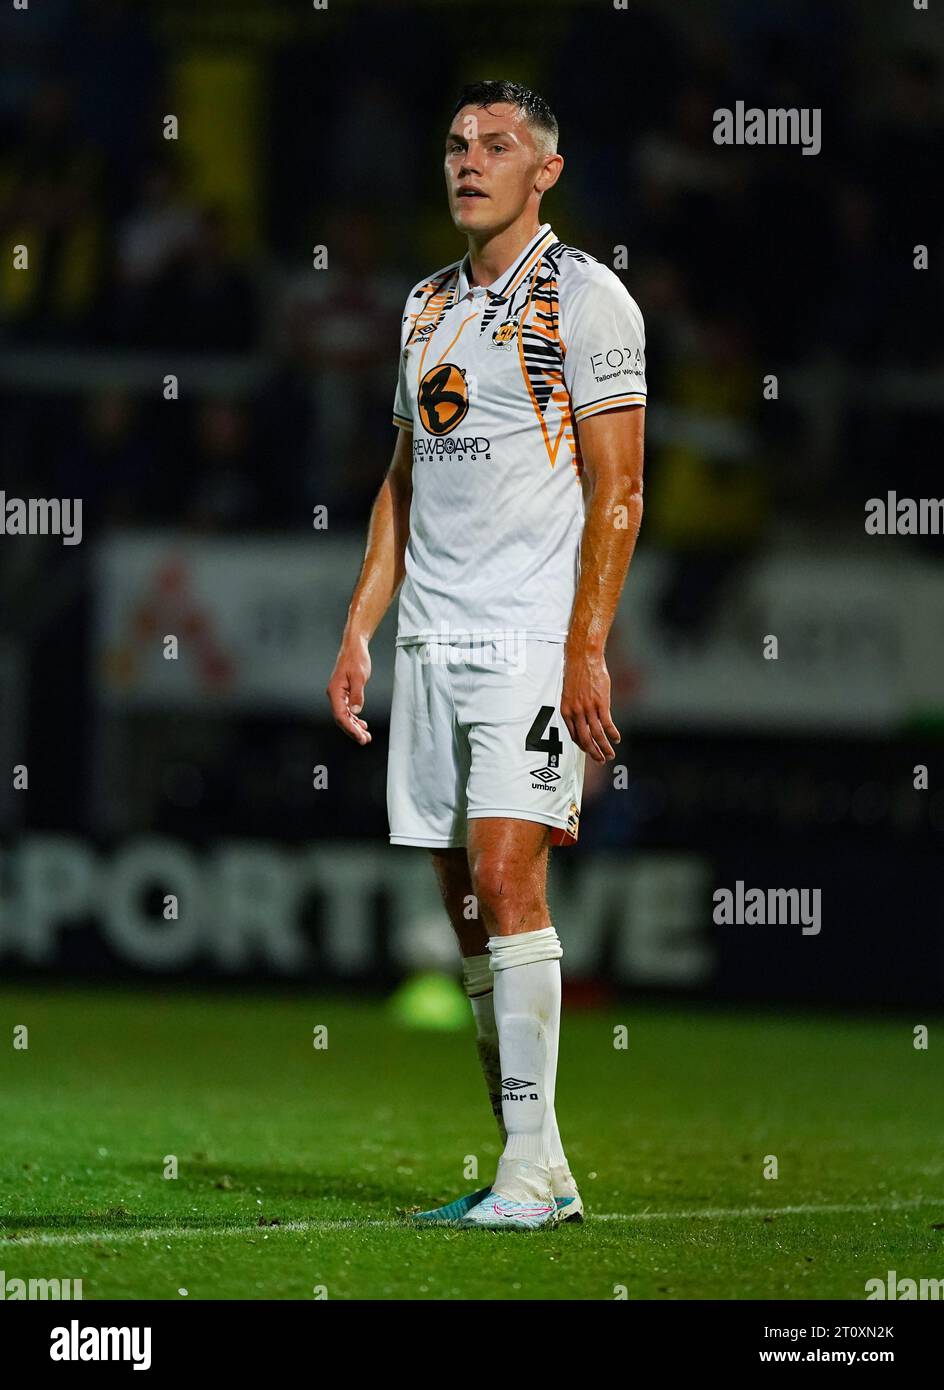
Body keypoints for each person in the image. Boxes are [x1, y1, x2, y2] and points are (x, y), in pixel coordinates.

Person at [327, 80, 647, 1231]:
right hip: (428, 638)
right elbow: (401, 485)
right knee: (465, 906)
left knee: (512, 881)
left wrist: (587, 647)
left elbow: (621, 486)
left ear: (544, 171)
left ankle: (522, 1176)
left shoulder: (586, 299)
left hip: (524, 634)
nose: (468, 158)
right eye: (456, 141)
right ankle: (537, 1163)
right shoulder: (423, 307)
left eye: (496, 144)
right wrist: (360, 625)